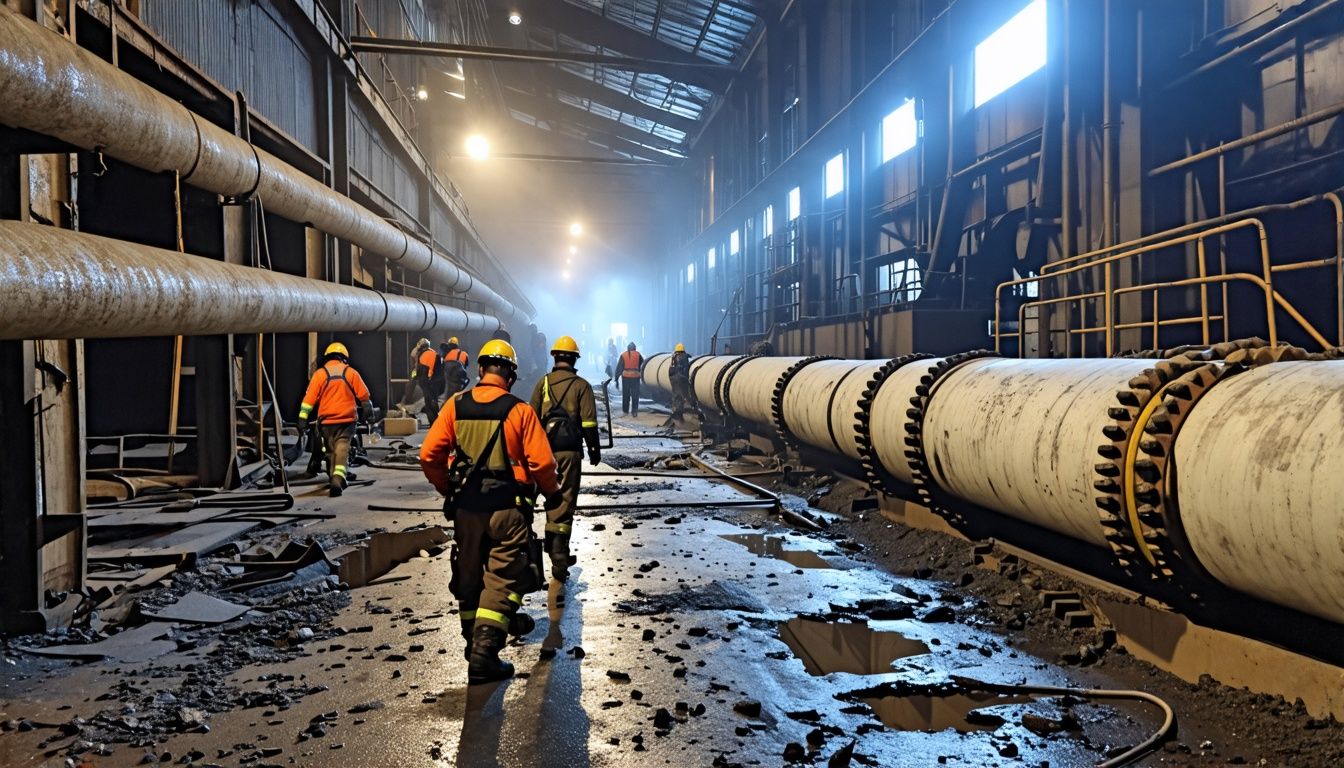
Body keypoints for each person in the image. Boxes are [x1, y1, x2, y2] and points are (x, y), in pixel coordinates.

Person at [420, 340, 561, 684]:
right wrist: (553, 494)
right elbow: (542, 464)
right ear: (511, 376)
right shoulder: (519, 411)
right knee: (503, 579)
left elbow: (428, 455)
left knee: (468, 576)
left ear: (480, 370)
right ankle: (484, 654)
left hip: (466, 509)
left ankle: (472, 644)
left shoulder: (455, 406)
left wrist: (446, 487)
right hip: (507, 510)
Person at [529, 336, 600, 588]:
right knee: (564, 500)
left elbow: (531, 419)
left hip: (542, 452)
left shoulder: (543, 383)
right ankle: (559, 556)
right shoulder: (582, 386)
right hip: (569, 453)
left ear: (555, 357)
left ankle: (537, 549)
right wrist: (594, 450)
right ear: (574, 359)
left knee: (541, 498)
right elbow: (589, 423)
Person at [297, 342, 373, 497]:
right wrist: (369, 415)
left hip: (326, 422)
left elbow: (308, 400)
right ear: (344, 358)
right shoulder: (351, 372)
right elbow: (364, 397)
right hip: (347, 420)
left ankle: (334, 477)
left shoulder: (320, 374)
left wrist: (302, 419)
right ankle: (338, 478)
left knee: (330, 450)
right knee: (343, 446)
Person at [395, 338, 431, 413]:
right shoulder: (414, 352)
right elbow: (413, 366)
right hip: (417, 368)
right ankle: (406, 402)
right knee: (411, 383)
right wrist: (414, 374)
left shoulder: (429, 352)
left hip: (425, 370)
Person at [415, 339, 442, 426]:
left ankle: (434, 423)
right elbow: (440, 369)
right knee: (433, 401)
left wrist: (415, 379)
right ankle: (437, 422)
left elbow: (418, 370)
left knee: (429, 403)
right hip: (435, 382)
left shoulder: (421, 355)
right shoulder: (435, 353)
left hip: (426, 382)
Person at [614, 342, 644, 416]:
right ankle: (634, 411)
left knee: (626, 394)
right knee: (635, 395)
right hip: (635, 377)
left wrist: (616, 378)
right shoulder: (638, 355)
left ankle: (625, 410)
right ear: (635, 348)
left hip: (626, 377)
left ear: (628, 348)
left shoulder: (623, 355)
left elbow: (619, 367)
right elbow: (643, 365)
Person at [668, 343, 692, 420]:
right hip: (681, 378)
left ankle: (676, 411)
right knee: (683, 395)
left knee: (676, 395)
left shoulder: (674, 357)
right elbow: (685, 369)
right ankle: (680, 413)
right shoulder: (684, 357)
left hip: (673, 378)